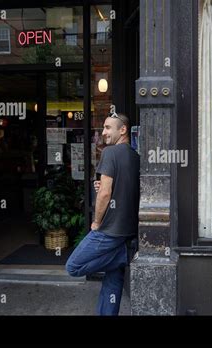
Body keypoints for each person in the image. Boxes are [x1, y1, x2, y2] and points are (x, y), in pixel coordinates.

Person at [66, 112, 140, 316]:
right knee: (112, 283)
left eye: (108, 128)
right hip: (127, 230)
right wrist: (104, 185)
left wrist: (96, 222)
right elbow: (120, 187)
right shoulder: (136, 157)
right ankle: (120, 256)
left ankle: (123, 256)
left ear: (122, 130)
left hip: (109, 229)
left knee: (73, 266)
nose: (104, 132)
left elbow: (106, 193)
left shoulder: (110, 153)